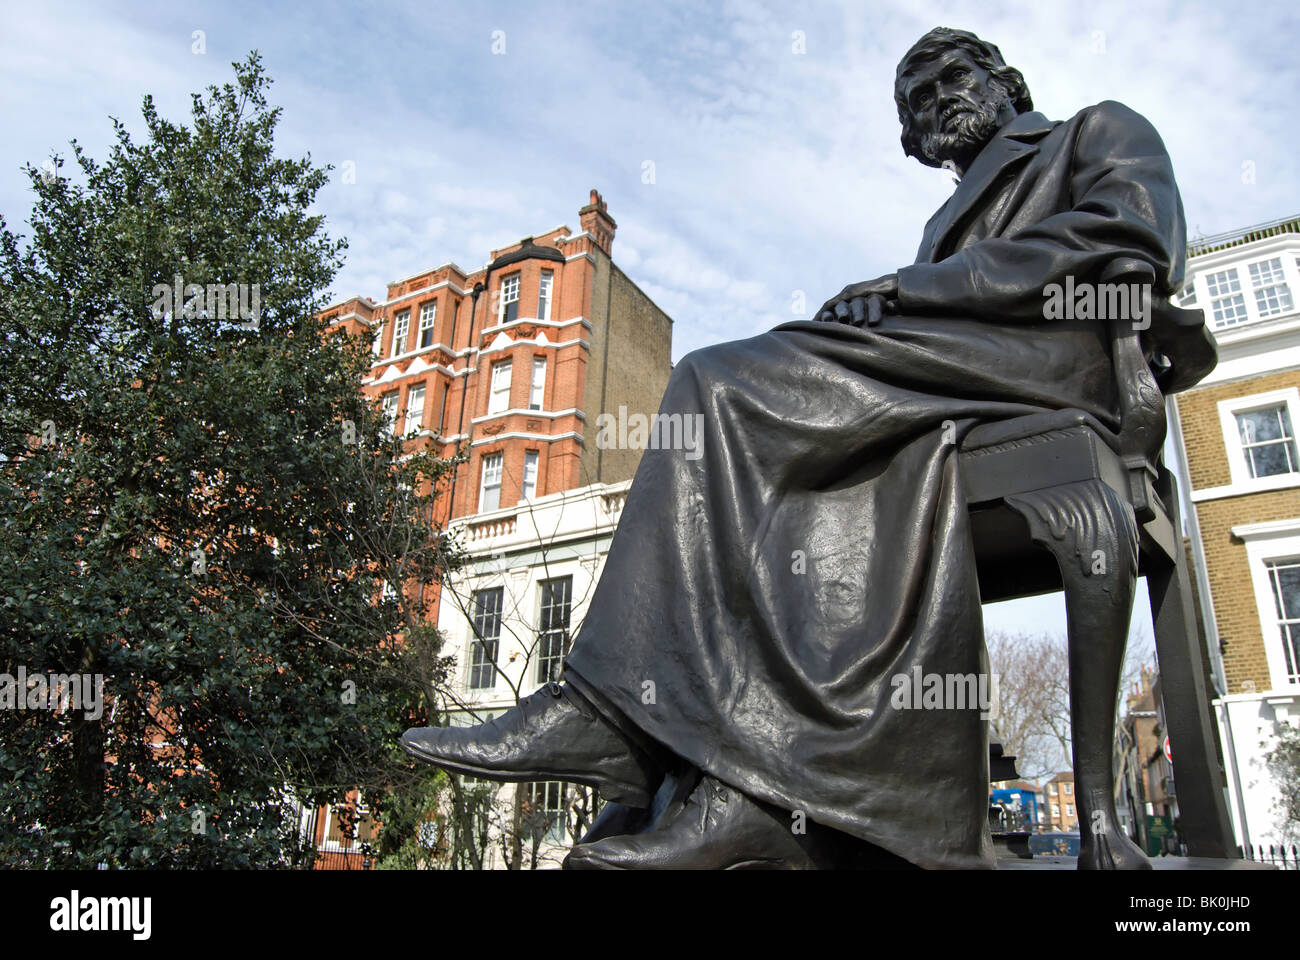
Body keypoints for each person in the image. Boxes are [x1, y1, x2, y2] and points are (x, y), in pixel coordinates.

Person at [403, 26, 1197, 869]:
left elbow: (1133, 237)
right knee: (809, 463)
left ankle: (610, 716)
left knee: (717, 384)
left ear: (1005, 80)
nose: (938, 104)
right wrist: (888, 310)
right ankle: (747, 791)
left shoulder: (1095, 130)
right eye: (917, 103)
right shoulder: (944, 219)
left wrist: (907, 289)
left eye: (952, 79)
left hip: (1057, 360)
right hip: (949, 386)